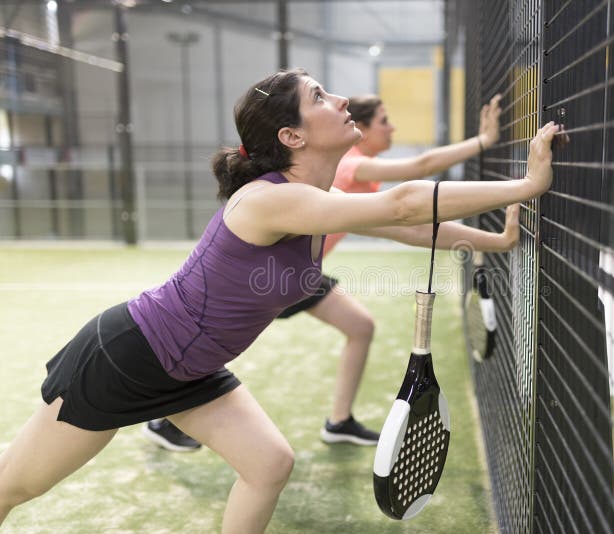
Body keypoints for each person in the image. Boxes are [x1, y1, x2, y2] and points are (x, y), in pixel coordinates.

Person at [0, 68, 560, 532]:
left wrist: (500, 240)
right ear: (292, 136)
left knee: (269, 463)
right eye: (320, 96)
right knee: (15, 486)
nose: (340, 100)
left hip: (188, 369)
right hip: (127, 358)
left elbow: (412, 229)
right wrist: (526, 185)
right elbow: (404, 204)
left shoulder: (315, 198)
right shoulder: (267, 201)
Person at [143, 92, 512, 451]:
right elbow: (421, 170)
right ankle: (164, 415)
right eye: (384, 121)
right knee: (217, 343)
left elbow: (412, 227)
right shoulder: (353, 164)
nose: (393, 129)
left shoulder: (345, 169)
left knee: (360, 326)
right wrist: (484, 143)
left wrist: (497, 239)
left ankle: (339, 422)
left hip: (298, 274)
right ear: (363, 127)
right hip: (270, 275)